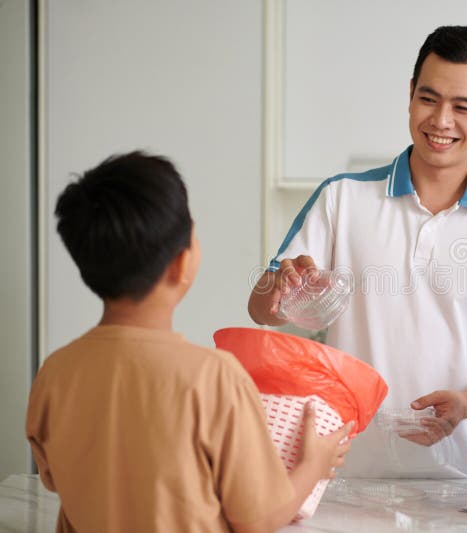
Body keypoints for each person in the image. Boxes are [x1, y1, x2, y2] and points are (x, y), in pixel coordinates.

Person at [249, 26, 467, 481]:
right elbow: (260, 310)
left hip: (466, 484)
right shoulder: (342, 199)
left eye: (463, 107)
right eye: (429, 99)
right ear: (411, 94)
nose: (441, 121)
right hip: (344, 475)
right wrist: (281, 285)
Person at [26, 152, 352, 533]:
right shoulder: (215, 378)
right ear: (183, 263)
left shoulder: (55, 373)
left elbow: (53, 478)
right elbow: (258, 517)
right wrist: (314, 464)